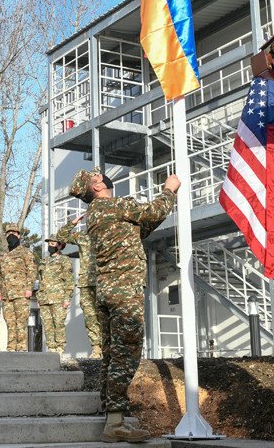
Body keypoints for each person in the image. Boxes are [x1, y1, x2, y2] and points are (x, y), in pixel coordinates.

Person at [69, 168, 179, 443]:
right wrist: (170, 189)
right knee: (126, 352)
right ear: (96, 187)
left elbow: (139, 228)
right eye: (97, 176)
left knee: (111, 352)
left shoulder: (98, 214)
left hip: (108, 289)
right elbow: (153, 212)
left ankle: (113, 417)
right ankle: (115, 421)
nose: (103, 176)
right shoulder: (113, 205)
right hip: (123, 287)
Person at [56, 213, 101, 357]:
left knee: (106, 315)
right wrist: (74, 222)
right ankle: (97, 348)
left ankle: (109, 348)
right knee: (90, 316)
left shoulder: (109, 234)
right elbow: (61, 236)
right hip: (86, 282)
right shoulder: (83, 237)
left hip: (105, 281)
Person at [0, 224, 36, 352]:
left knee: (21, 322)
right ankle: (11, 347)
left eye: (14, 233)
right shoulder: (3, 255)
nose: (11, 235)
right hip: (6, 294)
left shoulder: (25, 252)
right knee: (9, 322)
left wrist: (29, 288)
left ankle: (22, 348)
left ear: (19, 235)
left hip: (21, 293)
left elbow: (31, 271)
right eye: (8, 233)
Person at [37, 236, 74, 354]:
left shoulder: (64, 260)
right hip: (44, 298)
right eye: (49, 244)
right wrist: (39, 297)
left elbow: (69, 280)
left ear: (59, 245)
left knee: (58, 323)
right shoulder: (44, 261)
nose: (50, 246)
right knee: (47, 324)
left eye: (53, 244)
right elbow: (41, 280)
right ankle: (51, 348)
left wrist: (67, 298)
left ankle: (60, 348)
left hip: (59, 298)